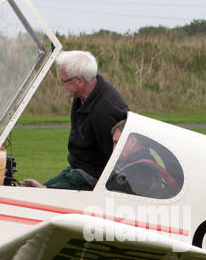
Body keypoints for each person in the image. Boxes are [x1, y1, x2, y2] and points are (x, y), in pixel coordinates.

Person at [19, 51, 128, 189]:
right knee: (38, 190)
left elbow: (115, 162)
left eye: (64, 80)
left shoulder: (105, 111)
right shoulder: (83, 96)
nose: (61, 84)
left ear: (79, 81)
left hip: (93, 175)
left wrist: (48, 190)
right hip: (78, 168)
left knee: (43, 193)